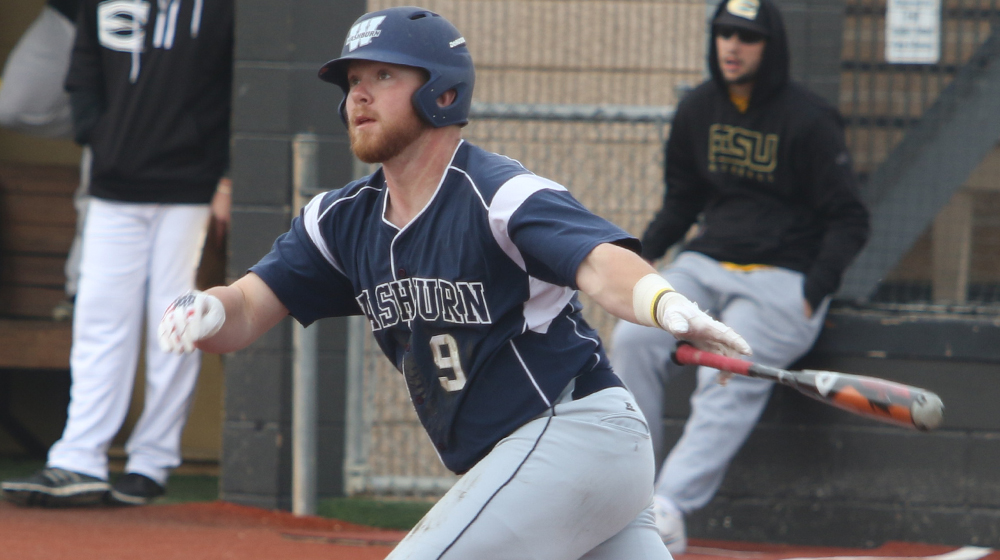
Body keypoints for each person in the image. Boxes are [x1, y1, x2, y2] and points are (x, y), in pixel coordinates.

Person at [155, 7, 749, 558]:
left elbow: (597, 262)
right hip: (534, 465)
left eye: (383, 75)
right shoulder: (339, 220)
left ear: (443, 92)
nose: (358, 94)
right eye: (352, 81)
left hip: (574, 434)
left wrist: (662, 300)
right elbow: (247, 308)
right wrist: (206, 309)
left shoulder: (498, 194)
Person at [609, 0, 871, 553]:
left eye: (747, 37)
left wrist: (813, 291)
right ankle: (629, 495)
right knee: (632, 338)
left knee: (722, 377)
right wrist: (640, 257)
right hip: (707, 262)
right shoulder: (697, 108)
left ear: (770, 47)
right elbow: (682, 201)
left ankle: (668, 509)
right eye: (725, 33)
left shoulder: (811, 118)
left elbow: (850, 217)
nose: (732, 45)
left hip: (784, 276)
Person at [1, 0, 234, 507]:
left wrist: (225, 178)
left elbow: (239, 82)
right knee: (98, 317)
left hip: (191, 188)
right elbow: (83, 67)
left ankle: (151, 462)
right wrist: (99, 137)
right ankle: (79, 458)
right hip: (113, 184)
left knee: (176, 323)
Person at [0, 0, 87, 321]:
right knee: (12, 105)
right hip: (74, 14)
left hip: (139, 30)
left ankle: (81, 291)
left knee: (109, 154)